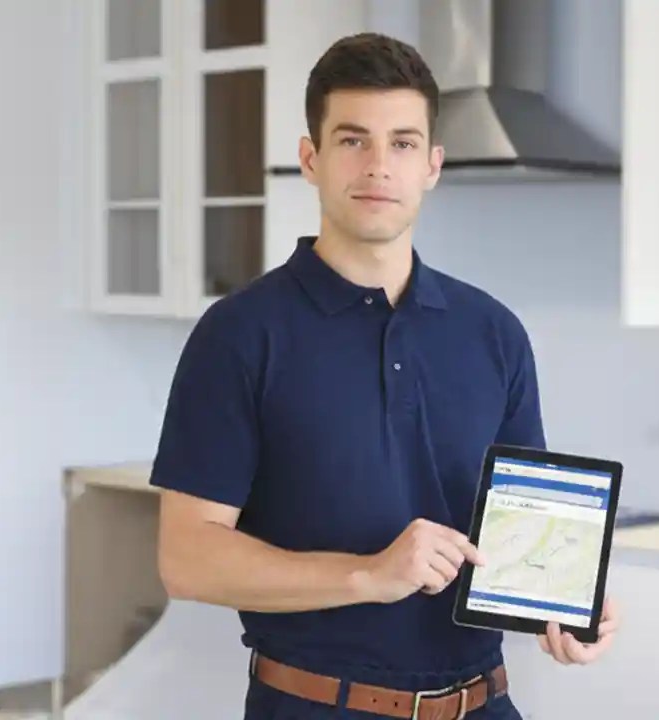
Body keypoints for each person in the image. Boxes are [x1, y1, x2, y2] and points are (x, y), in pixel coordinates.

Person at [150, 32, 620, 719]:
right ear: (311, 158)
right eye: (352, 140)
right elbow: (186, 559)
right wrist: (368, 575)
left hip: (484, 704)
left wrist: (569, 602)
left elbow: (522, 539)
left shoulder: (493, 332)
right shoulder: (240, 334)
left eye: (402, 143)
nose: (378, 165)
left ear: (432, 164)